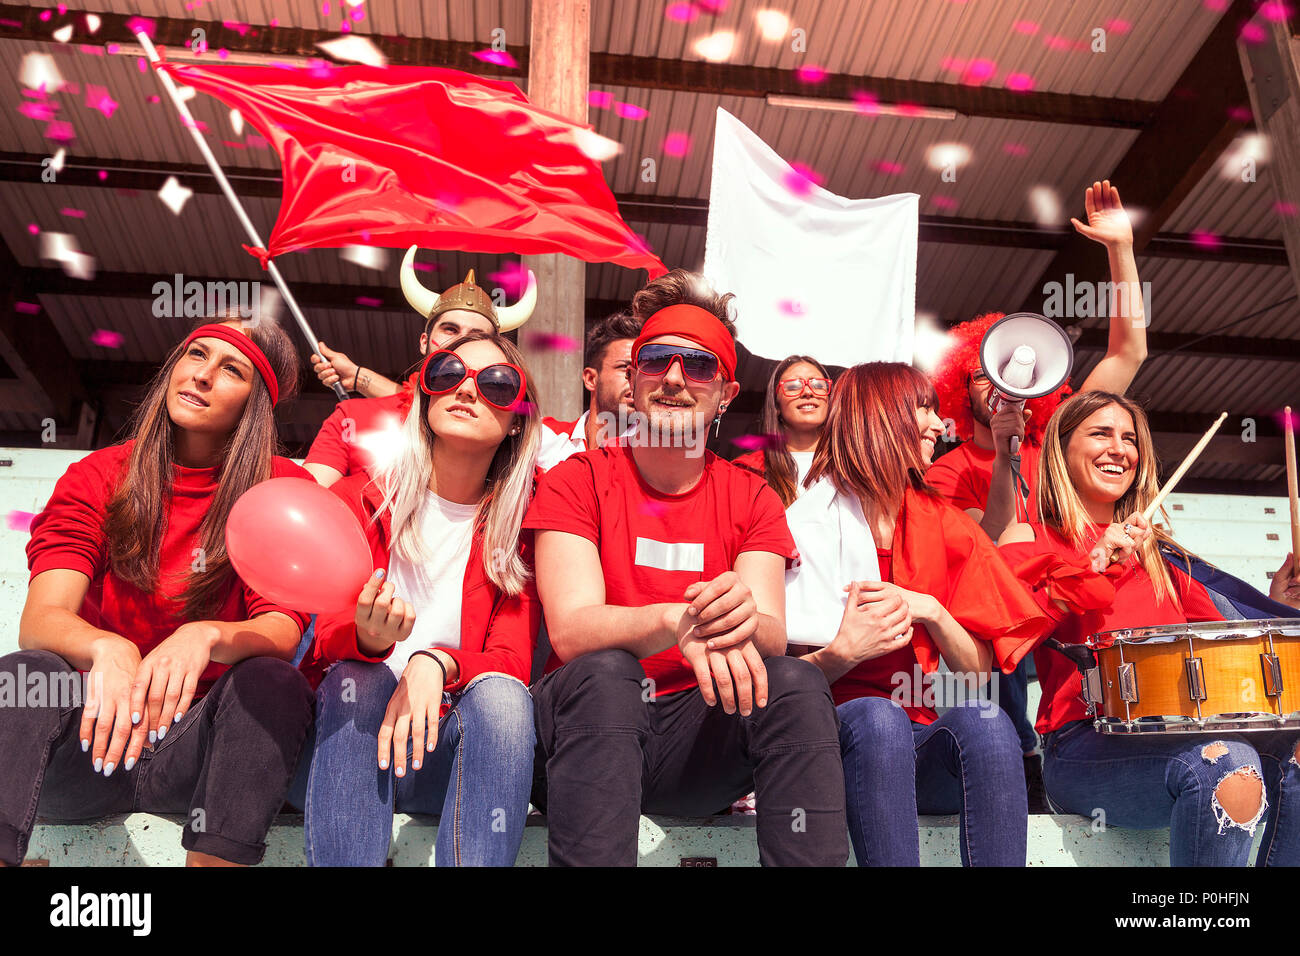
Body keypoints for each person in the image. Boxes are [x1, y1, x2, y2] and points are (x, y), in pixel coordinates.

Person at [523, 269, 849, 866]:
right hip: (585, 736)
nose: (674, 377)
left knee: (798, 682)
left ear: (725, 394)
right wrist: (678, 617)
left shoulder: (752, 495)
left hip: (695, 738)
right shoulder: (579, 477)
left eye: (698, 366)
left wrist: (743, 614)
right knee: (606, 674)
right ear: (634, 380)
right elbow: (570, 630)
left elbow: (773, 633)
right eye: (657, 360)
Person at [0, 317, 314, 867]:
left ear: (255, 404)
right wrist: (107, 647)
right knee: (26, 672)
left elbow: (282, 630)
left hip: (194, 756)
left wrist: (207, 635)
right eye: (196, 355)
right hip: (93, 742)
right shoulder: (97, 475)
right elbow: (43, 617)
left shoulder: (280, 489)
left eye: (231, 368)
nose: (202, 375)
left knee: (271, 682)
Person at [998, 390, 1300, 866]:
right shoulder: (1029, 538)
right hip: (1082, 745)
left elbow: (1226, 652)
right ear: (1061, 447)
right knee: (1228, 765)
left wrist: (1279, 610)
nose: (1119, 448)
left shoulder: (1162, 557)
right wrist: (1090, 569)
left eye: (1130, 438)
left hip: (1185, 736)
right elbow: (1007, 638)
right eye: (1101, 433)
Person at [927, 181, 1150, 792]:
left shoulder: (1062, 435)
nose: (998, 382)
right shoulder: (947, 472)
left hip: (1082, 606)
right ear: (958, 387)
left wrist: (1120, 251)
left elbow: (1129, 352)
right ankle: (1018, 751)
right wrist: (1001, 458)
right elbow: (991, 556)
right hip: (1021, 614)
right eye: (979, 373)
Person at [784, 362, 1051, 865]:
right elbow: (776, 684)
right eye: (921, 410)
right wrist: (843, 654)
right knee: (876, 716)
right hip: (823, 752)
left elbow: (977, 676)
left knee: (990, 721)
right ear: (878, 417)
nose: (936, 425)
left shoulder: (945, 523)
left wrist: (931, 611)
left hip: (916, 748)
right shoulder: (801, 524)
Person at [292, 330, 542, 866]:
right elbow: (321, 644)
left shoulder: (525, 525)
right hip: (343, 749)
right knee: (357, 678)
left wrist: (437, 661)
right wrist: (368, 638)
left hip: (443, 753)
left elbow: (511, 660)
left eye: (497, 384)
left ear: (518, 417)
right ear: (427, 392)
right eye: (448, 373)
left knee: (503, 698)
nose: (468, 390)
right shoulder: (358, 497)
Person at [302, 247, 536, 486]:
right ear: (424, 342)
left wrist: (362, 377)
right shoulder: (353, 417)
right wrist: (360, 377)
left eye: (476, 336)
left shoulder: (503, 427)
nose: (459, 342)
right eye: (450, 329)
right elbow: (310, 499)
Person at [537, 309, 642, 471]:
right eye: (624, 368)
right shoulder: (543, 439)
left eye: (643, 370)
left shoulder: (655, 453)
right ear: (591, 379)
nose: (636, 380)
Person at [732, 354, 832, 507]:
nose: (808, 392)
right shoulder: (746, 472)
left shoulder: (853, 466)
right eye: (793, 386)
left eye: (818, 385)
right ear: (776, 404)